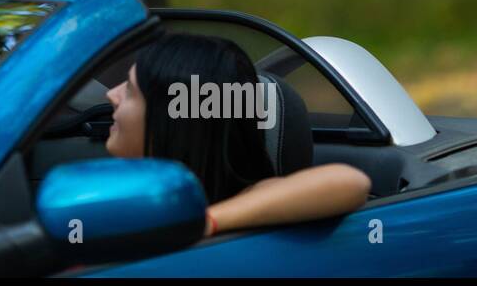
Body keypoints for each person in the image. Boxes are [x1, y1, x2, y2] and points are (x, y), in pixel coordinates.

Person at [105, 31, 371, 237]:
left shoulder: (244, 198)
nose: (111, 95)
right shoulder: (122, 186)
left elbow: (350, 182)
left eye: (129, 90)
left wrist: (205, 223)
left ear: (172, 122)